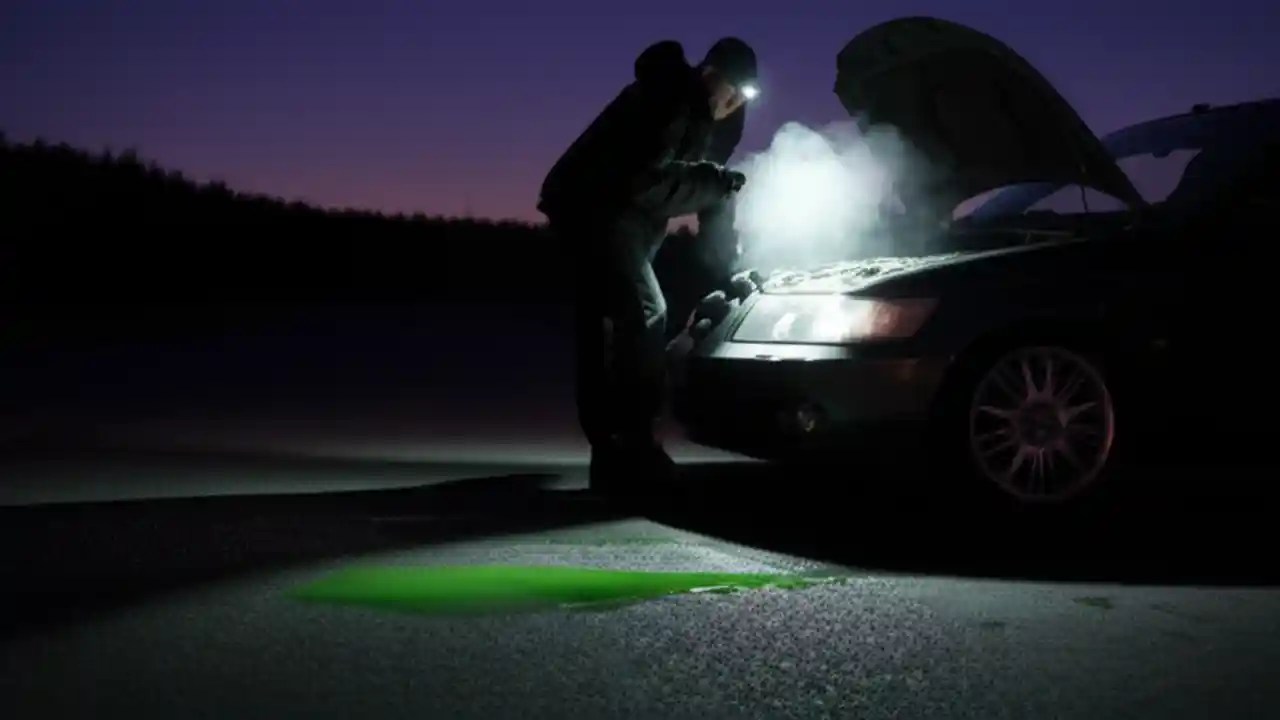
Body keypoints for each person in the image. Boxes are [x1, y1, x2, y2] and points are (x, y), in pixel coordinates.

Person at [537, 37, 759, 494]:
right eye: (728, 89)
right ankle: (633, 445)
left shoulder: (718, 122)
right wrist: (714, 183)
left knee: (610, 323)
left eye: (743, 96)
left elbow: (715, 196)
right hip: (592, 208)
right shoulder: (669, 98)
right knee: (643, 311)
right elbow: (643, 182)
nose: (732, 102)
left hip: (627, 219)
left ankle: (613, 452)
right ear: (707, 73)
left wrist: (726, 269)